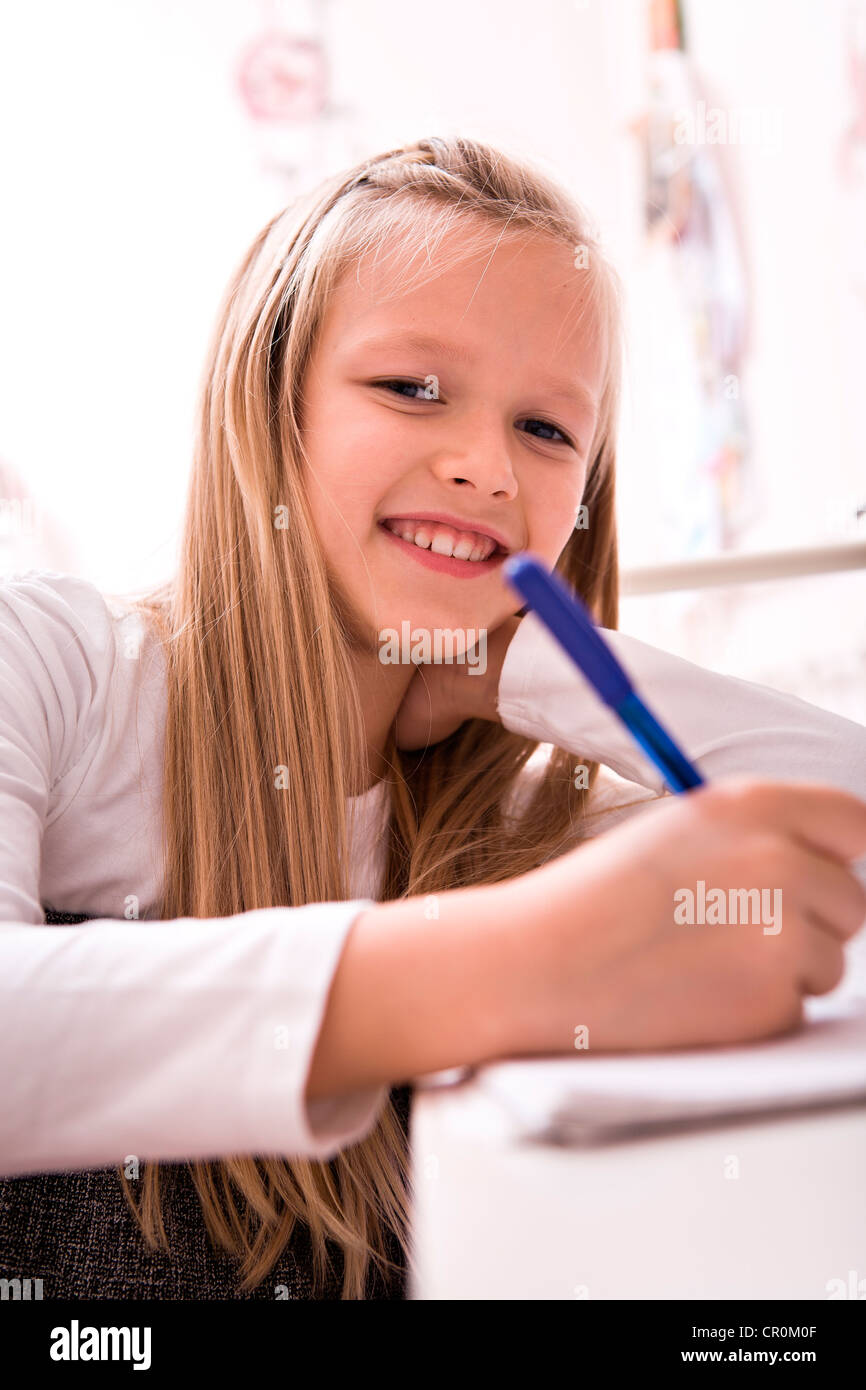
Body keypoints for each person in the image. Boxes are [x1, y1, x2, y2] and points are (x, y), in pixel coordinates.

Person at [1, 136, 865, 1301]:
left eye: (547, 430)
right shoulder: (53, 668)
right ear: (272, 403)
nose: (485, 467)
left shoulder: (517, 822)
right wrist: (532, 955)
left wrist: (537, 666)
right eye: (410, 388)